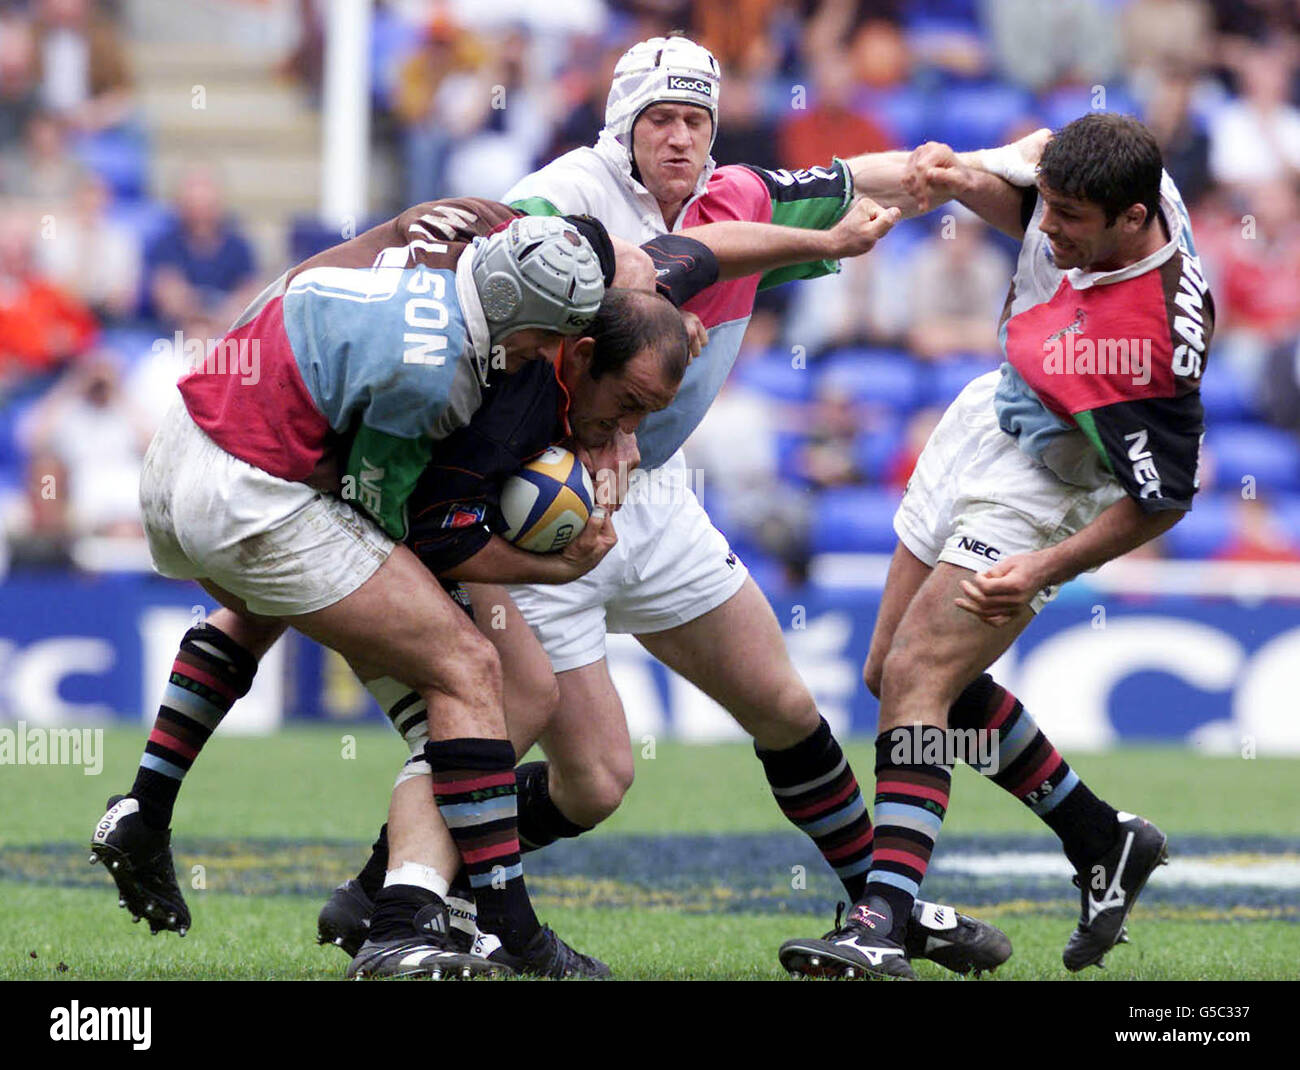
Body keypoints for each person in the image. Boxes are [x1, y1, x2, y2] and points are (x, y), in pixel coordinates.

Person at [328, 33, 1031, 977]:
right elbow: (651, 272)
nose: (678, 137)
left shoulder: (732, 192)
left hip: (654, 495)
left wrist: (950, 168)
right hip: (537, 497)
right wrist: (819, 240)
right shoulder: (559, 196)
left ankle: (881, 908)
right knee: (596, 779)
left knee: (783, 704)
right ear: (623, 126)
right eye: (659, 118)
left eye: (695, 119)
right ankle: (396, 888)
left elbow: (846, 178)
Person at [89, 198, 619, 980]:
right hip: (245, 491)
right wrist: (542, 563)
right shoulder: (435, 371)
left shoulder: (444, 257)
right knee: (473, 673)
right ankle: (443, 926)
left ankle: (147, 809)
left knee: (344, 644)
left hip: (187, 450)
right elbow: (391, 520)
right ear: (511, 304)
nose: (541, 355)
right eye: (541, 335)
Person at [780, 113, 1211, 978]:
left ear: (1134, 220)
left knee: (917, 680)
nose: (1049, 227)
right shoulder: (1105, 180)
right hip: (988, 413)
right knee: (888, 674)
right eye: (1049, 206)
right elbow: (1026, 189)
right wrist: (958, 180)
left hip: (1050, 480)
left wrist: (1043, 570)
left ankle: (882, 921)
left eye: (1069, 220)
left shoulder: (1150, 341)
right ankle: (1100, 836)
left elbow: (1163, 500)